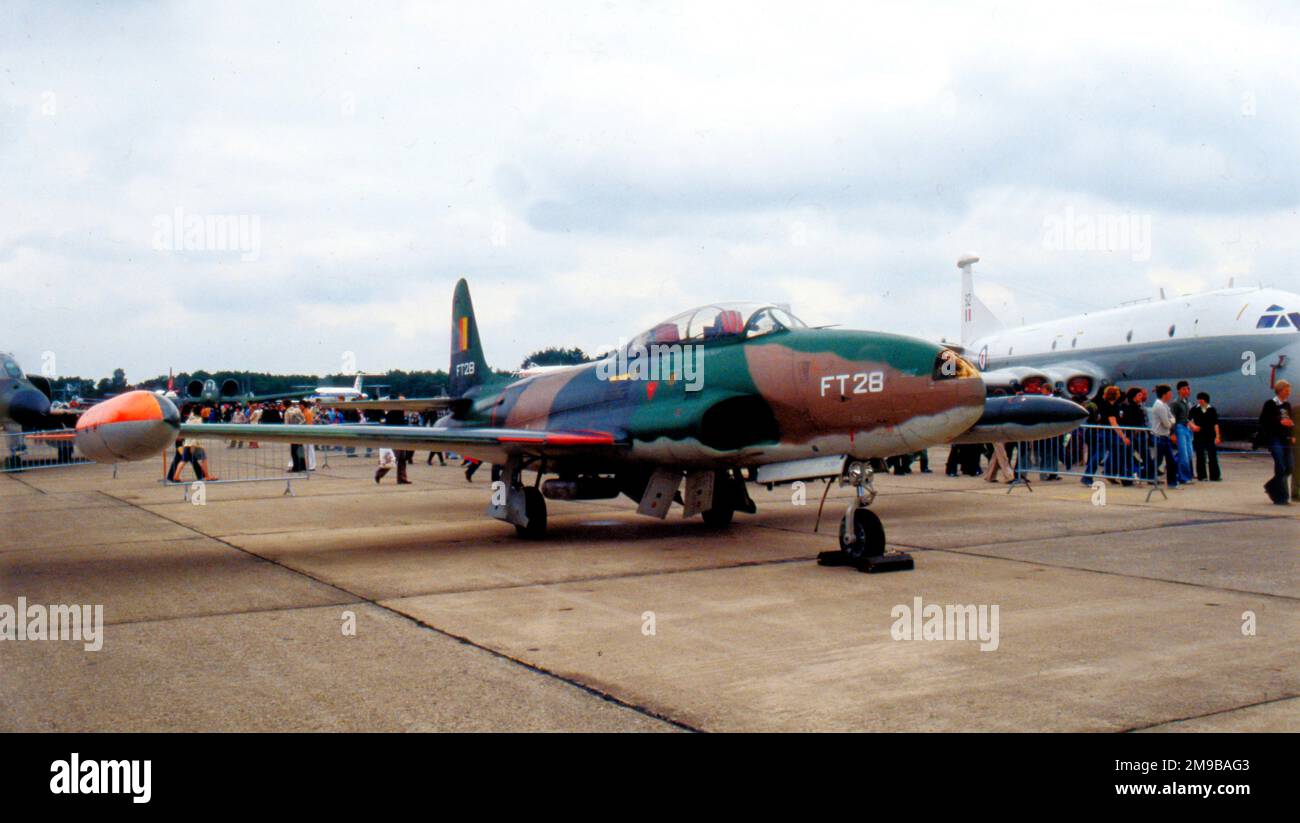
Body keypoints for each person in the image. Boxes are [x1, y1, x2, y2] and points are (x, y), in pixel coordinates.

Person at [1257, 380, 1294, 504]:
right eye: (1286, 390)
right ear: (1280, 390)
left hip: (1285, 438)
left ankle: (1271, 486)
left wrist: (1291, 430)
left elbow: (1289, 419)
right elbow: (1263, 420)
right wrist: (1279, 422)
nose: (1288, 392)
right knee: (1280, 466)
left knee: (1289, 466)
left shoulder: (1287, 405)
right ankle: (1281, 497)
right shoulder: (1270, 404)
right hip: (1274, 438)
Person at [1150, 385, 1179, 489]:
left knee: (1169, 460)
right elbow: (1167, 423)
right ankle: (1149, 476)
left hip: (1164, 437)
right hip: (1159, 437)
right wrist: (1171, 422)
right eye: (1169, 393)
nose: (1171, 395)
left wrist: (1171, 421)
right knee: (1159, 460)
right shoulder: (1160, 406)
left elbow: (1172, 418)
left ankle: (1172, 482)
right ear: (1165, 394)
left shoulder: (1165, 405)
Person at [1188, 391, 1221, 482]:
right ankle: (1202, 476)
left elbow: (1215, 424)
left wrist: (1217, 436)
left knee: (1212, 456)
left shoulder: (1212, 410)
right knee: (1200, 456)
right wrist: (1193, 426)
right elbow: (1188, 419)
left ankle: (1215, 475)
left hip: (1210, 435)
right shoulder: (1195, 409)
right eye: (1199, 399)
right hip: (1199, 435)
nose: (1200, 401)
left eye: (1201, 399)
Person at [1170, 381, 1195, 484]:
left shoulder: (1187, 402)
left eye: (1188, 389)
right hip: (1179, 427)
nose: (1187, 391)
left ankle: (1183, 473)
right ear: (1179, 390)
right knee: (1183, 453)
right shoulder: (1175, 403)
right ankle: (1183, 477)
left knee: (1189, 453)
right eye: (1184, 389)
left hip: (1187, 428)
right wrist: (1173, 433)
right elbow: (1172, 418)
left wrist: (1192, 425)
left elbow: (1188, 417)